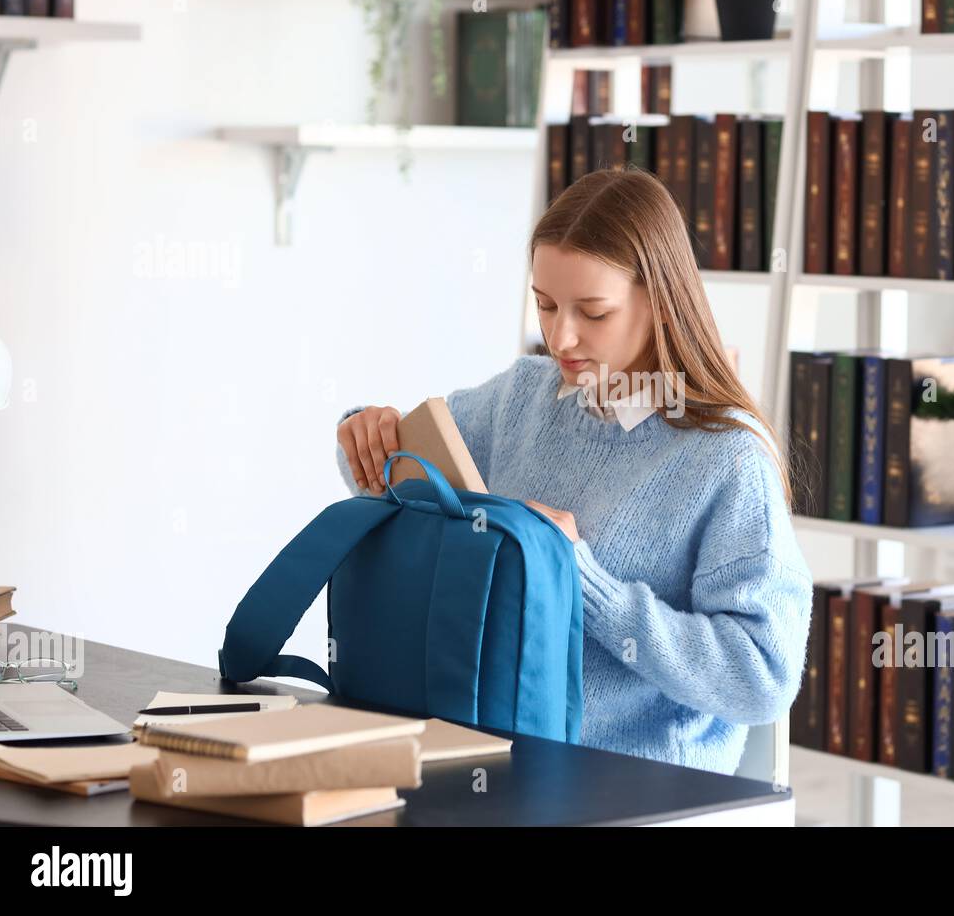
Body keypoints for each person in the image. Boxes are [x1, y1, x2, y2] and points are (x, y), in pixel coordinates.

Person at [336, 167, 812, 775]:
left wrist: (586, 584)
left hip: (634, 787)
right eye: (546, 305)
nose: (561, 337)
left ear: (659, 303)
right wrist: (370, 436)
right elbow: (402, 486)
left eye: (593, 312)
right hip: (485, 758)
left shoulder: (726, 458)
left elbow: (762, 677)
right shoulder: (523, 395)